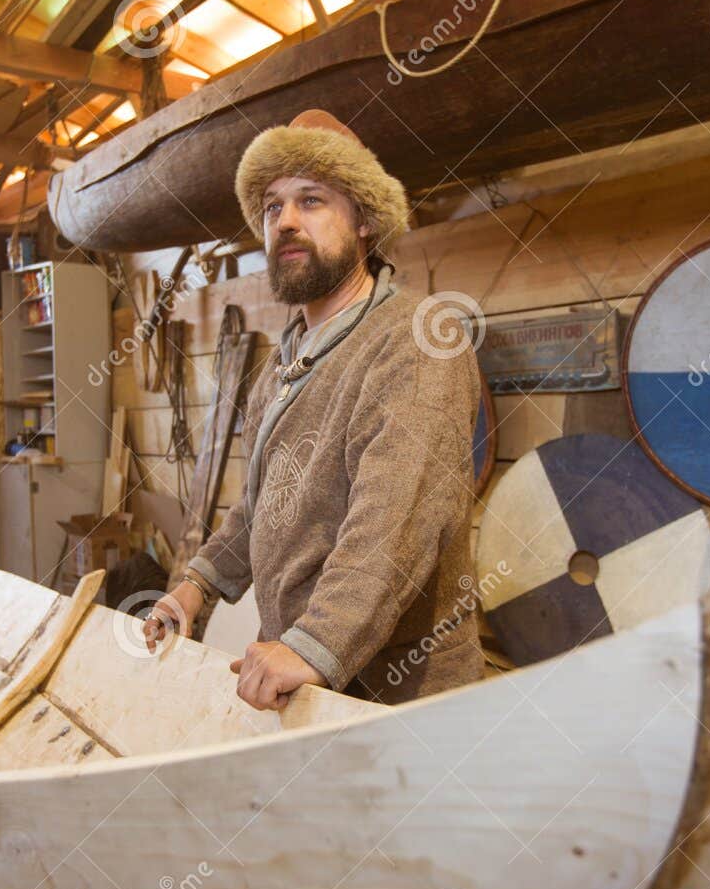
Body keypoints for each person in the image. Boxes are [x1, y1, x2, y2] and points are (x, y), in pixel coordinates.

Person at [144, 109, 484, 711]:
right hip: (302, 678)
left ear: (363, 220)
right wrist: (196, 587)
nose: (286, 223)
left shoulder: (415, 338)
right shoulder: (286, 360)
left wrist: (314, 643)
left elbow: (395, 517)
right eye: (273, 207)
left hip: (397, 697)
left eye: (312, 200)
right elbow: (264, 503)